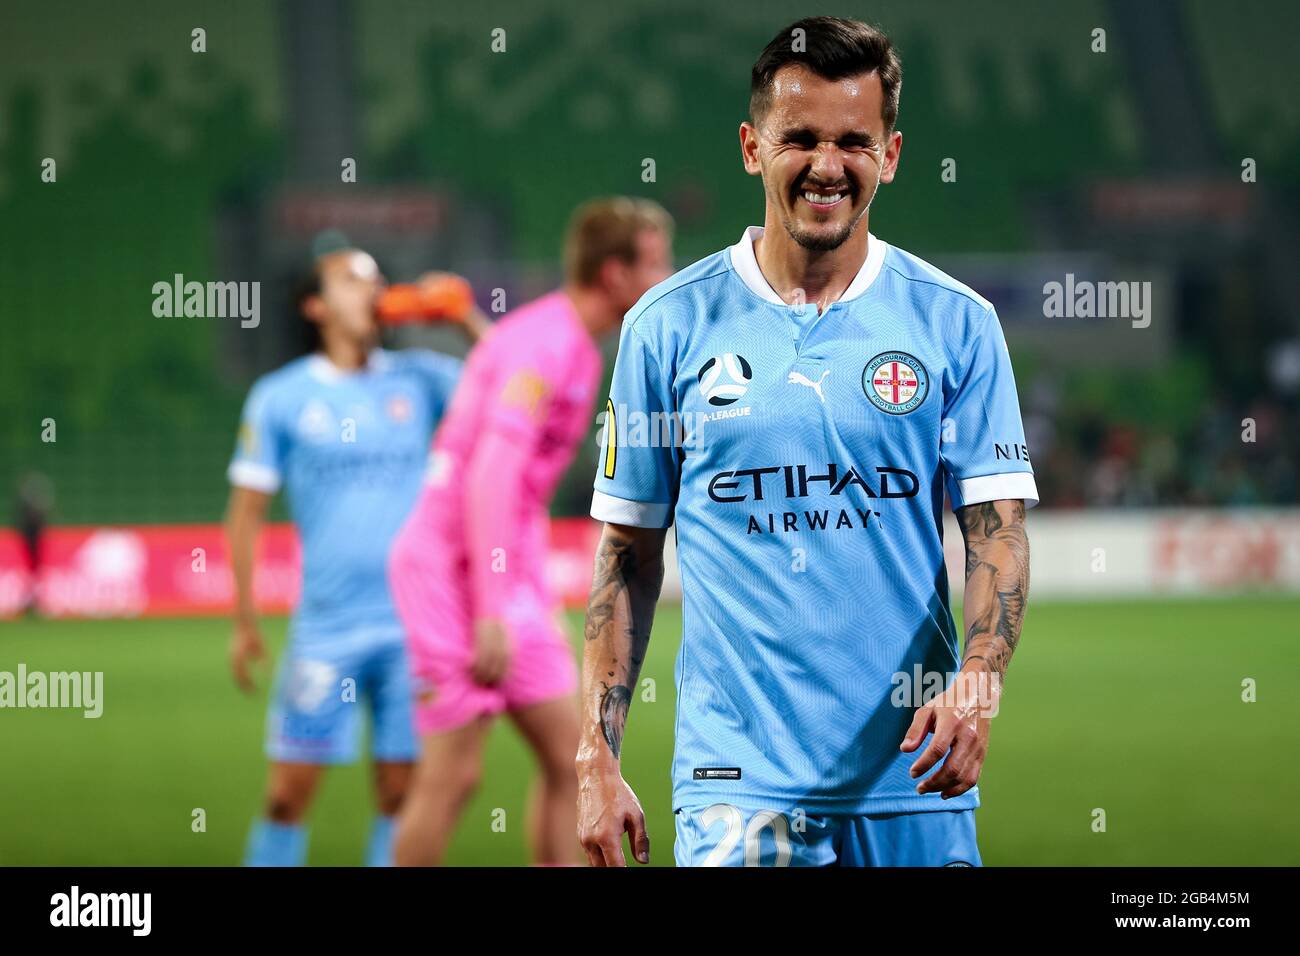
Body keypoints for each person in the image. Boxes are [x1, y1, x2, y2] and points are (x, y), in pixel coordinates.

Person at [578, 16, 1036, 867]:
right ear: (754, 147)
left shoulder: (957, 324)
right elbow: (627, 553)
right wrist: (595, 758)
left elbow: (996, 534)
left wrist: (979, 685)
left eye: (854, 141)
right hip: (736, 784)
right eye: (802, 138)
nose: (827, 165)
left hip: (913, 777)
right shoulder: (666, 327)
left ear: (890, 155)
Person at [388, 198, 673, 866]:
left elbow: (506, 384)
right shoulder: (552, 344)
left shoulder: (554, 339)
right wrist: (492, 608)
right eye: (656, 263)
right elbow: (490, 474)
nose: (668, 277)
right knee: (453, 776)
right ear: (614, 274)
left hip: (501, 570)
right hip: (451, 573)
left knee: (572, 756)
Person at [226, 247, 485, 866]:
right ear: (315, 306)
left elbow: (515, 381)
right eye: (351, 280)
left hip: (413, 628)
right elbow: (245, 512)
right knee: (288, 796)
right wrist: (243, 620)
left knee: (400, 794)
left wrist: (464, 319)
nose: (371, 290)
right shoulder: (280, 397)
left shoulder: (419, 377)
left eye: (377, 279)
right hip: (327, 628)